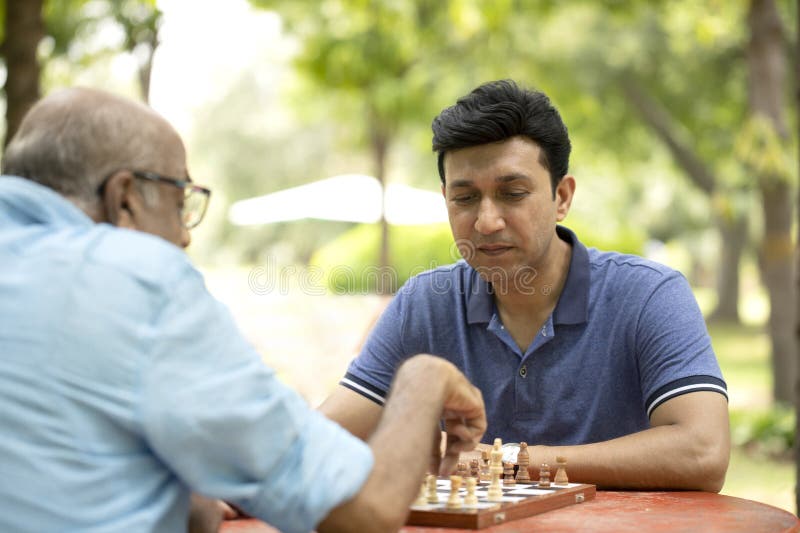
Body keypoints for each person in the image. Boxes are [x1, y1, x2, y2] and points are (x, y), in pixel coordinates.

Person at [0, 87, 486, 533]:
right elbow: (365, 513)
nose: (185, 235)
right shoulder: (140, 279)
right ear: (124, 198)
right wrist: (424, 379)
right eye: (180, 202)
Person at [320, 79, 730, 492]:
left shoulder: (649, 296)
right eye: (465, 199)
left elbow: (703, 452)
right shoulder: (424, 304)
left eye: (512, 193)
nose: (486, 222)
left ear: (562, 197)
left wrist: (503, 460)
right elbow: (324, 439)